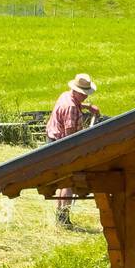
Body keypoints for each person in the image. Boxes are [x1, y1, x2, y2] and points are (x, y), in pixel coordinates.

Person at [46, 74, 101, 224]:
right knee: (69, 181)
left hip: (54, 140)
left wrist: (88, 107)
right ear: (76, 91)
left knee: (62, 181)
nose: (84, 96)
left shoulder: (66, 95)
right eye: (83, 94)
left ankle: (60, 215)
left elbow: (76, 104)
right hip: (62, 144)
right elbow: (71, 137)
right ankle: (63, 217)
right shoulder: (70, 108)